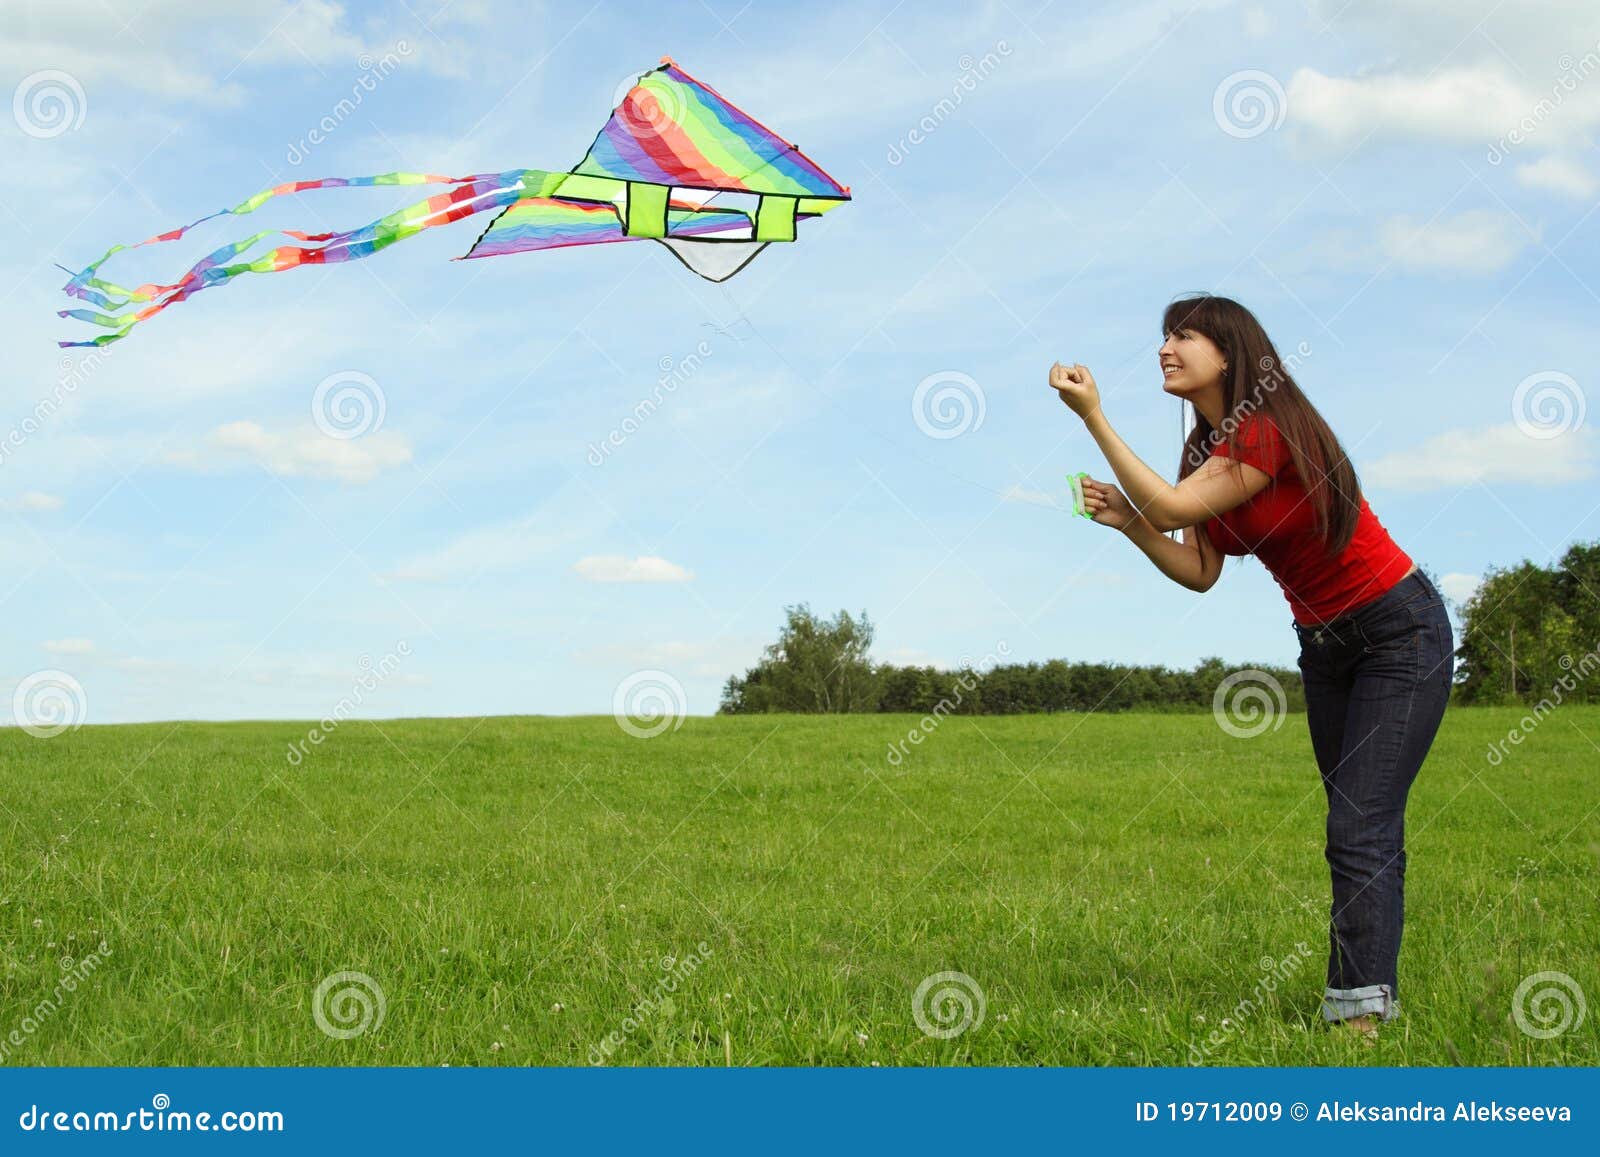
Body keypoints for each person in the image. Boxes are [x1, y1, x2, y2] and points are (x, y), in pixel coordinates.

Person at [1050, 293, 1453, 1039]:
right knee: (1359, 825)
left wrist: (1094, 418)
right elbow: (1200, 566)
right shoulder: (1203, 454)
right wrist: (1129, 526)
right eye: (1163, 337)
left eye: (1182, 335)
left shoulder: (1264, 430)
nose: (1165, 348)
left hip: (1399, 630)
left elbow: (1172, 507)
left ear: (1229, 351)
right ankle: (1367, 992)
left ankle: (1358, 1017)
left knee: (1359, 823)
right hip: (1325, 648)